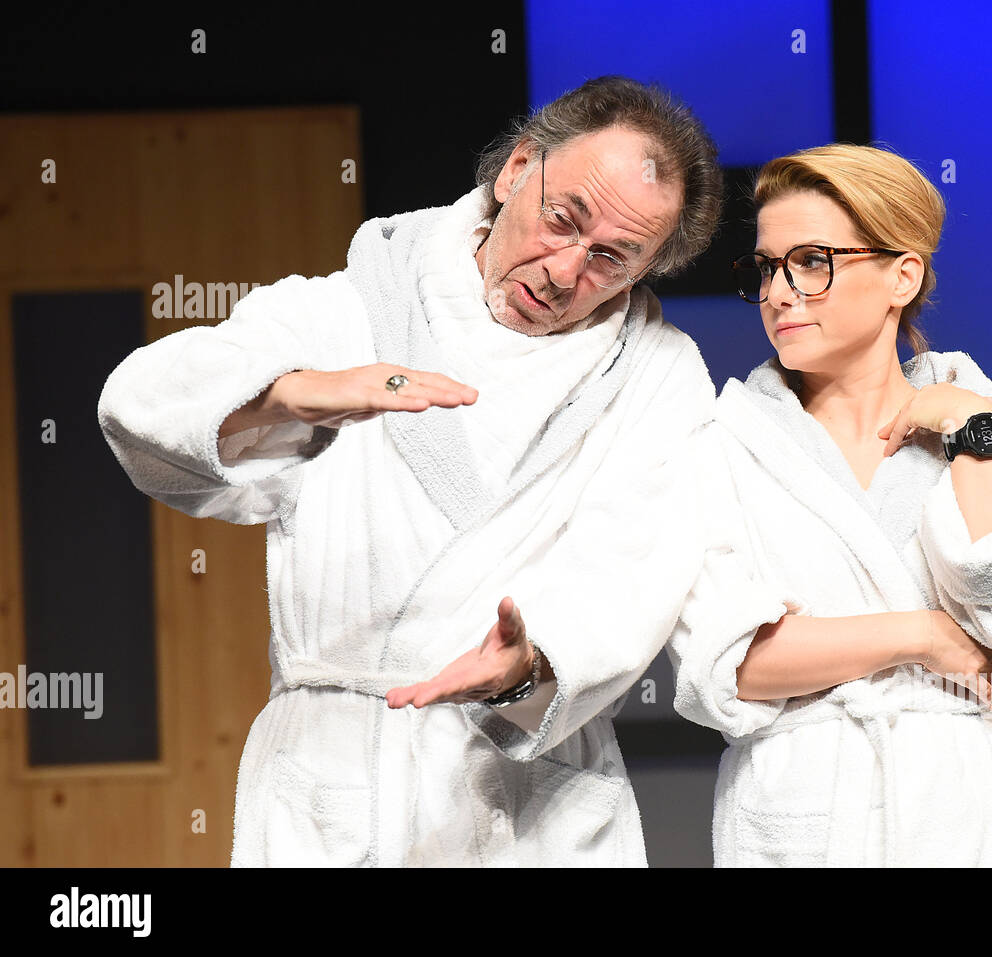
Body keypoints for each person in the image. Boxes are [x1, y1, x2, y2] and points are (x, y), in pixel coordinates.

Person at [97, 76, 724, 866]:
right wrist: (291, 393)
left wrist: (530, 665)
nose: (565, 271)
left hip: (529, 792)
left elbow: (637, 565)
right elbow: (139, 404)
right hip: (333, 779)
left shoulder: (656, 375)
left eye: (612, 258)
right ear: (517, 168)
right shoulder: (350, 311)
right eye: (563, 221)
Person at [667, 143, 992, 866]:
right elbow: (732, 661)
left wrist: (972, 431)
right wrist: (922, 635)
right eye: (767, 267)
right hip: (803, 811)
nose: (779, 292)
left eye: (811, 261)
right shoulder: (727, 443)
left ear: (902, 274)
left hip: (964, 809)